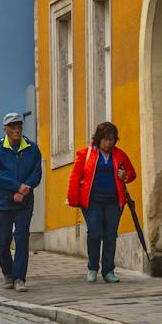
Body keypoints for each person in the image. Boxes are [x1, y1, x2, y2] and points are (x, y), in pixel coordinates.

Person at [65, 121, 136, 282]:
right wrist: (73, 199)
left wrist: (125, 175)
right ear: (98, 139)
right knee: (95, 233)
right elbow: (75, 177)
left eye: (111, 140)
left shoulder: (119, 155)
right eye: (105, 139)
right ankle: (92, 268)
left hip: (113, 201)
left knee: (110, 236)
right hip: (92, 202)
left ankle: (108, 270)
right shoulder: (86, 154)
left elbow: (132, 173)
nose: (108, 143)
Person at [0, 112, 42, 291]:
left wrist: (25, 189)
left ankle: (20, 278)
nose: (17, 129)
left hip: (24, 202)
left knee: (22, 238)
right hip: (3, 202)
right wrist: (16, 188)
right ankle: (8, 274)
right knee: (4, 241)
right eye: (13, 126)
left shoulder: (32, 148)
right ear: (5, 129)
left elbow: (36, 172)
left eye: (19, 126)